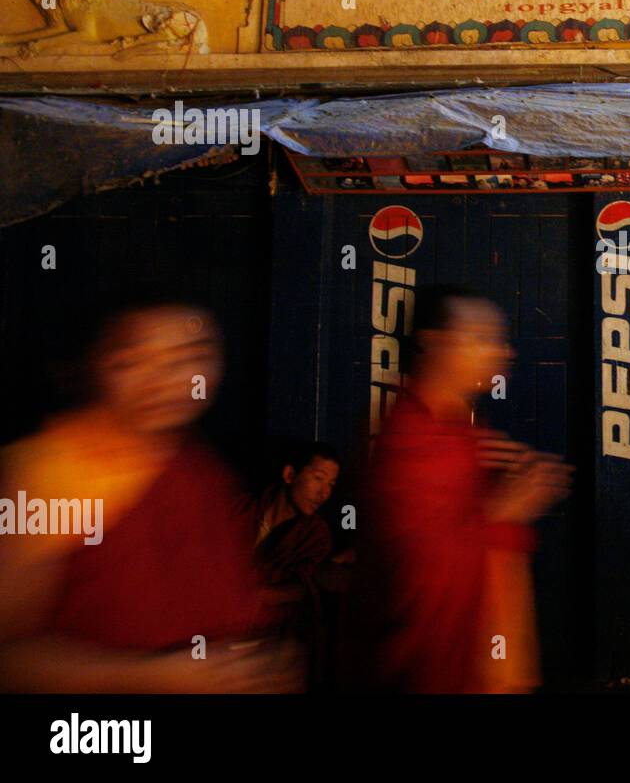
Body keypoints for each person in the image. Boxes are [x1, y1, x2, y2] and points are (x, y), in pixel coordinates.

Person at [0, 296, 296, 692]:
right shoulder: (49, 472)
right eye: (132, 360)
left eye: (190, 357)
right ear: (96, 366)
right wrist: (149, 677)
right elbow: (9, 659)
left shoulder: (202, 471)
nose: (165, 380)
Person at [351, 285, 570, 693]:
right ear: (433, 343)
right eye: (482, 339)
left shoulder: (462, 432)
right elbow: (415, 568)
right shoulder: (409, 434)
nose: (503, 352)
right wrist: (502, 513)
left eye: (500, 340)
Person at [253, 440, 352, 689]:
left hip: (266, 644)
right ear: (290, 474)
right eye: (318, 478)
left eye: (331, 484)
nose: (324, 493)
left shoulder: (315, 534)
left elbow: (302, 585)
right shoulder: (243, 509)